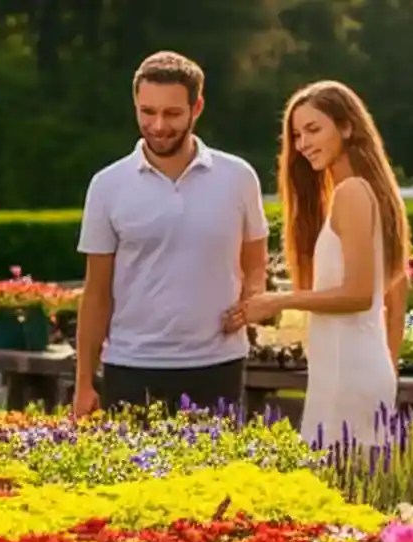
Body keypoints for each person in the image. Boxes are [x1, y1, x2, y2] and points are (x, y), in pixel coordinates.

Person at [73, 51, 270, 417]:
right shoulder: (107, 185)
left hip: (218, 364)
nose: (159, 125)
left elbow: (255, 262)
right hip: (132, 366)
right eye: (147, 112)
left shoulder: (239, 178)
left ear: (197, 107)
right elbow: (96, 292)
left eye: (172, 113)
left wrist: (251, 300)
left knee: (218, 475)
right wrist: (84, 383)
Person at [222, 80, 409, 447]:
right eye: (296, 135)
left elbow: (359, 295)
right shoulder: (365, 192)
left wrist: (280, 300)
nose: (303, 144)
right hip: (351, 369)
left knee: (338, 490)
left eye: (313, 129)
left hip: (348, 372)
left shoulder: (352, 193)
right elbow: (394, 291)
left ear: (346, 127)